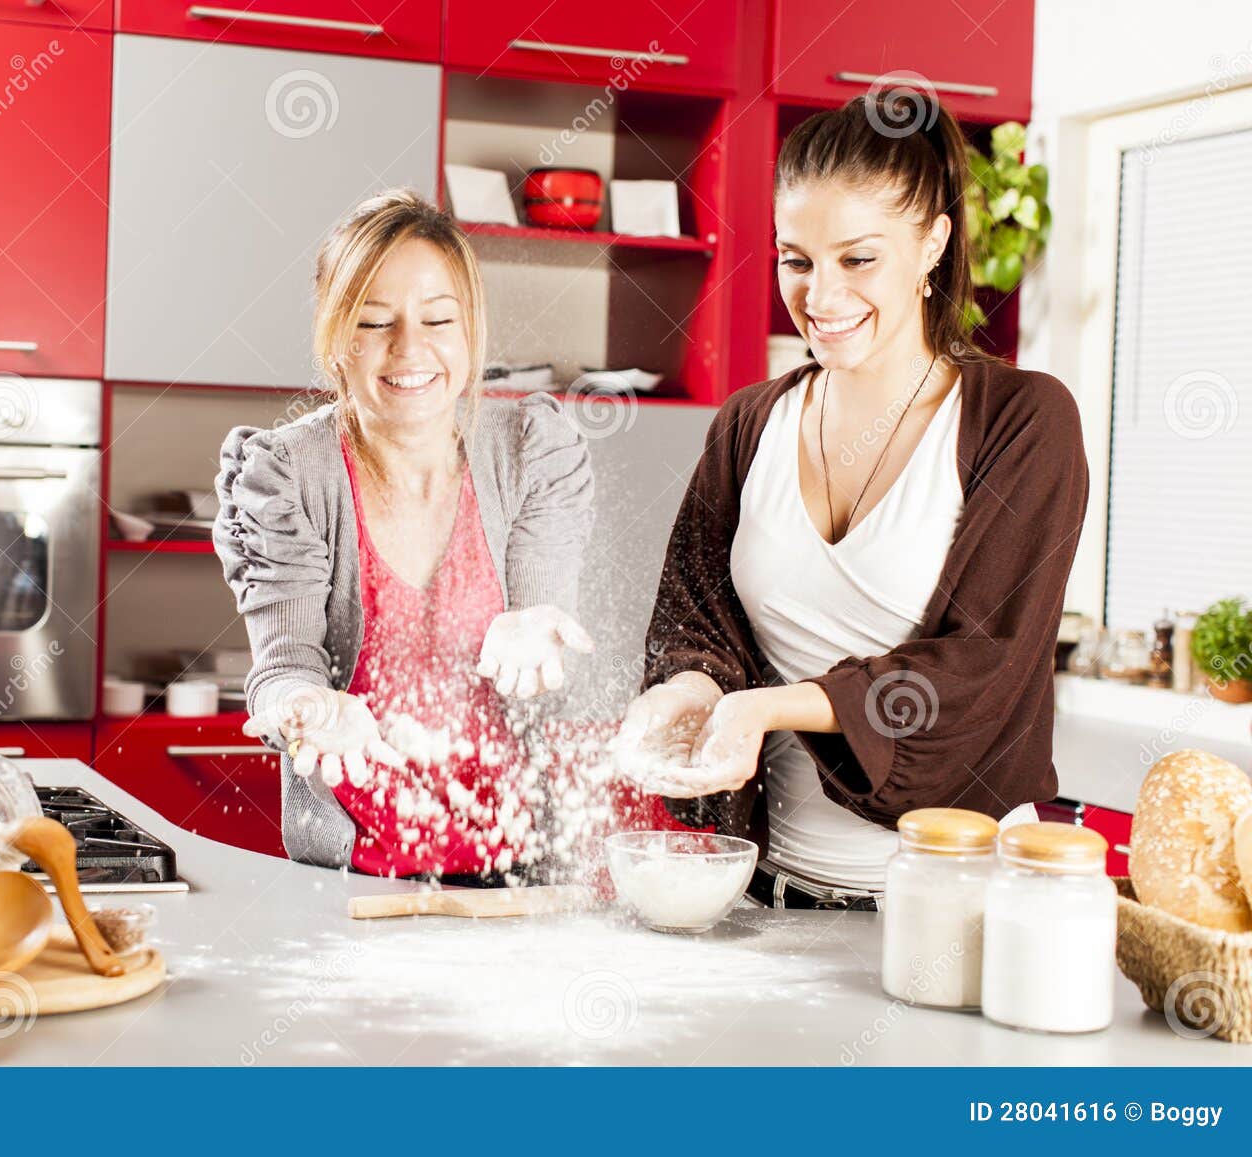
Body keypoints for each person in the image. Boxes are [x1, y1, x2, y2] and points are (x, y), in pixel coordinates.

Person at [612, 91, 1089, 909]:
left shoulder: (1023, 421)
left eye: (858, 259)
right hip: (766, 899)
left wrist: (766, 708)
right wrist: (688, 693)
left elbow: (984, 668)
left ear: (933, 242)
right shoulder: (749, 425)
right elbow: (692, 620)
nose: (821, 297)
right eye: (796, 260)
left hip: (957, 909)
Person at [214, 188, 595, 881]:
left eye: (438, 319)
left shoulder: (531, 453)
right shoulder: (288, 475)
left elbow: (547, 657)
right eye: (374, 321)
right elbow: (283, 666)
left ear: (470, 330)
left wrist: (536, 631)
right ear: (336, 339)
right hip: (349, 875)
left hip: (513, 866)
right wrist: (306, 708)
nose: (410, 348)